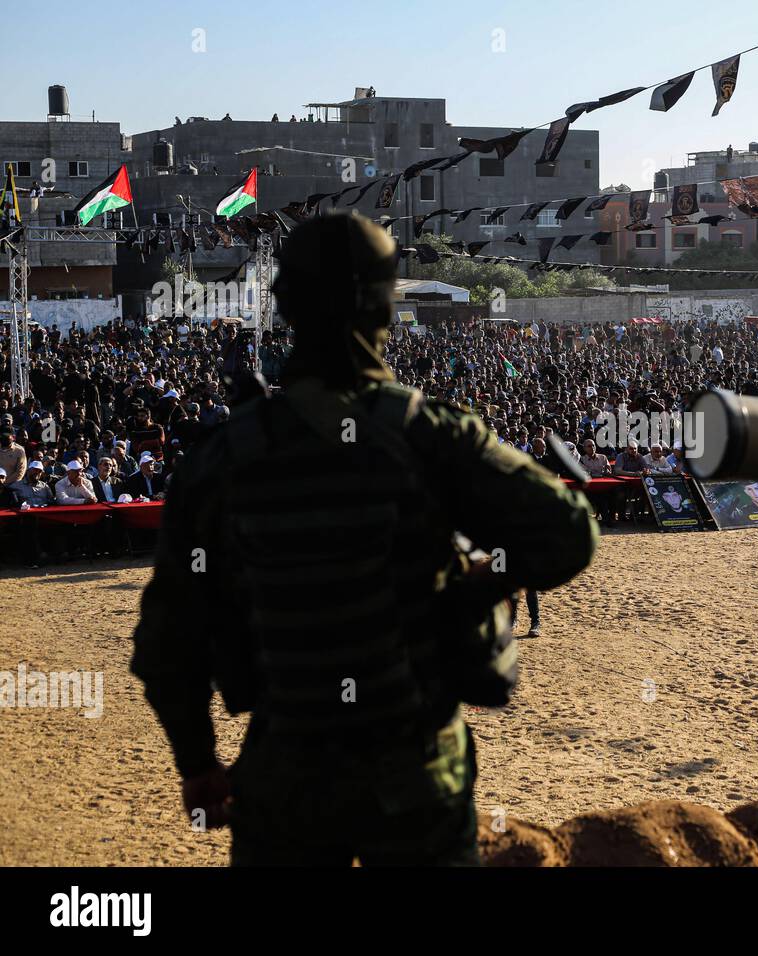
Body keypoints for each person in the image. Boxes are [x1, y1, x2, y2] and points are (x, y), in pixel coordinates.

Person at [131, 212, 597, 867]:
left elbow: (165, 644)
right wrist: (474, 587)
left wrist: (198, 763)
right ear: (385, 305)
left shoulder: (222, 459)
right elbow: (568, 533)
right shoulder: (430, 435)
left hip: (285, 782)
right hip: (417, 781)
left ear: (285, 305)